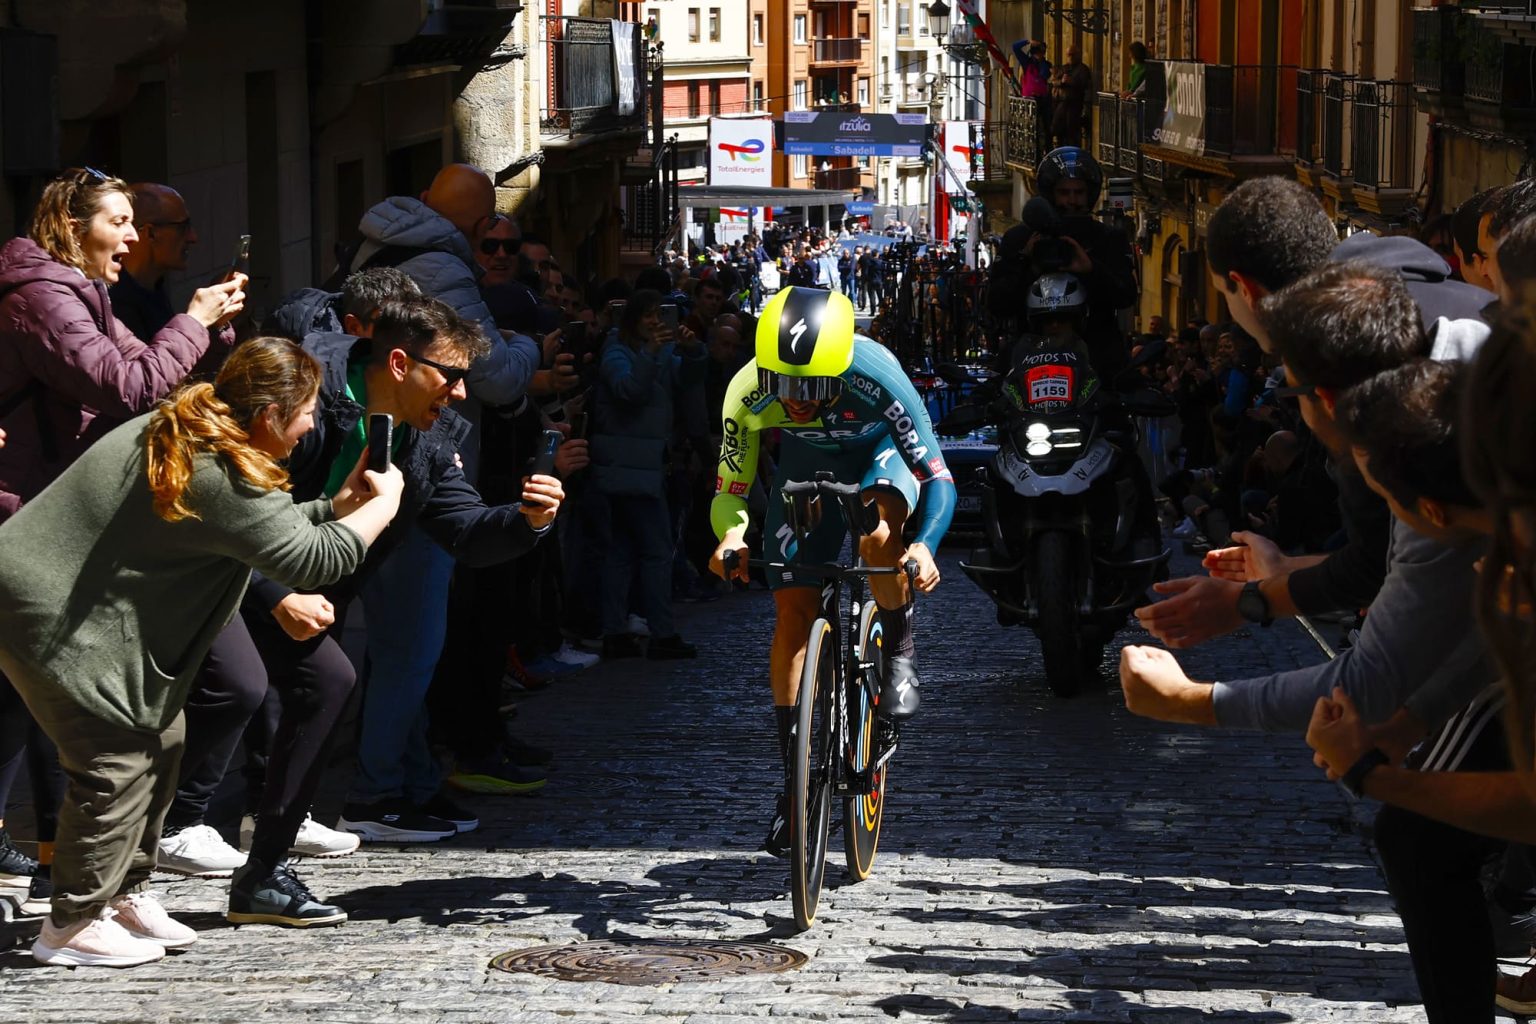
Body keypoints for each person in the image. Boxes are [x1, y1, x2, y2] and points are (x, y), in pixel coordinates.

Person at [0, 336, 404, 967]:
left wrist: (335, 505)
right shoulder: (221, 468)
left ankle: (121, 891)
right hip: (40, 608)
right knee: (116, 753)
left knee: (159, 737)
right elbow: (312, 558)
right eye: (306, 415)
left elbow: (257, 526)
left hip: (59, 600)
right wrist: (384, 506)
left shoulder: (198, 436)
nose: (309, 429)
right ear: (270, 415)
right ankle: (72, 922)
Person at [0, 166, 246, 917]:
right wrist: (194, 323)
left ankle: (99, 884)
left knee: (42, 709)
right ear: (73, 227)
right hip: (30, 519)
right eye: (120, 223)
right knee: (52, 709)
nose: (133, 237)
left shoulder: (81, 293)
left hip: (64, 518)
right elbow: (126, 387)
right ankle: (80, 890)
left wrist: (214, 329)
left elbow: (151, 375)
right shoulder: (40, 296)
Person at [708, 287, 954, 856]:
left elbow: (938, 476)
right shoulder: (747, 390)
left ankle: (899, 643)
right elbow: (731, 489)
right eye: (783, 385)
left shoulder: (875, 376)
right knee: (793, 610)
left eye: (811, 387)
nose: (794, 400)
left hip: (878, 455)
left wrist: (926, 546)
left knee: (876, 536)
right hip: (807, 462)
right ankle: (795, 780)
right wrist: (733, 534)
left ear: (838, 370)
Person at [590, 289, 706, 659]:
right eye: (649, 316)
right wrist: (652, 353)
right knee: (655, 550)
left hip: (644, 465)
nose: (657, 323)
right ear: (633, 320)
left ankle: (616, 631)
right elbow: (629, 391)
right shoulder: (617, 351)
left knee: (623, 551)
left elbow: (686, 382)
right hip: (628, 467)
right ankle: (661, 632)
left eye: (661, 315)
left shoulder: (657, 351)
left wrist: (691, 352)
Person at [988, 147, 1137, 380]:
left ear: (1090, 194)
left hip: (1097, 365)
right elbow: (996, 302)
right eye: (1064, 192)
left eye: (1079, 192)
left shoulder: (1108, 238)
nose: (1072, 201)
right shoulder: (1020, 239)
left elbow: (1126, 295)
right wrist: (1027, 265)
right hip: (1028, 362)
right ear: (1049, 194)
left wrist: (1091, 270)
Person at [110, 182, 237, 352]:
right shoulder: (111, 304)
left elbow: (181, 368)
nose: (193, 237)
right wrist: (196, 320)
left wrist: (217, 322)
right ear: (149, 233)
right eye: (182, 227)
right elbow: (151, 372)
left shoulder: (152, 288)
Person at [1049, 45, 1094, 148]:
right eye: (1069, 55)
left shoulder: (1083, 69)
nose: (1071, 57)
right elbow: (1053, 81)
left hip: (1074, 105)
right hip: (1061, 103)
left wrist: (1073, 82)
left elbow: (1086, 85)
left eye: (1073, 55)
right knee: (1057, 130)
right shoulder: (1064, 68)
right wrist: (1062, 81)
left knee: (1072, 133)